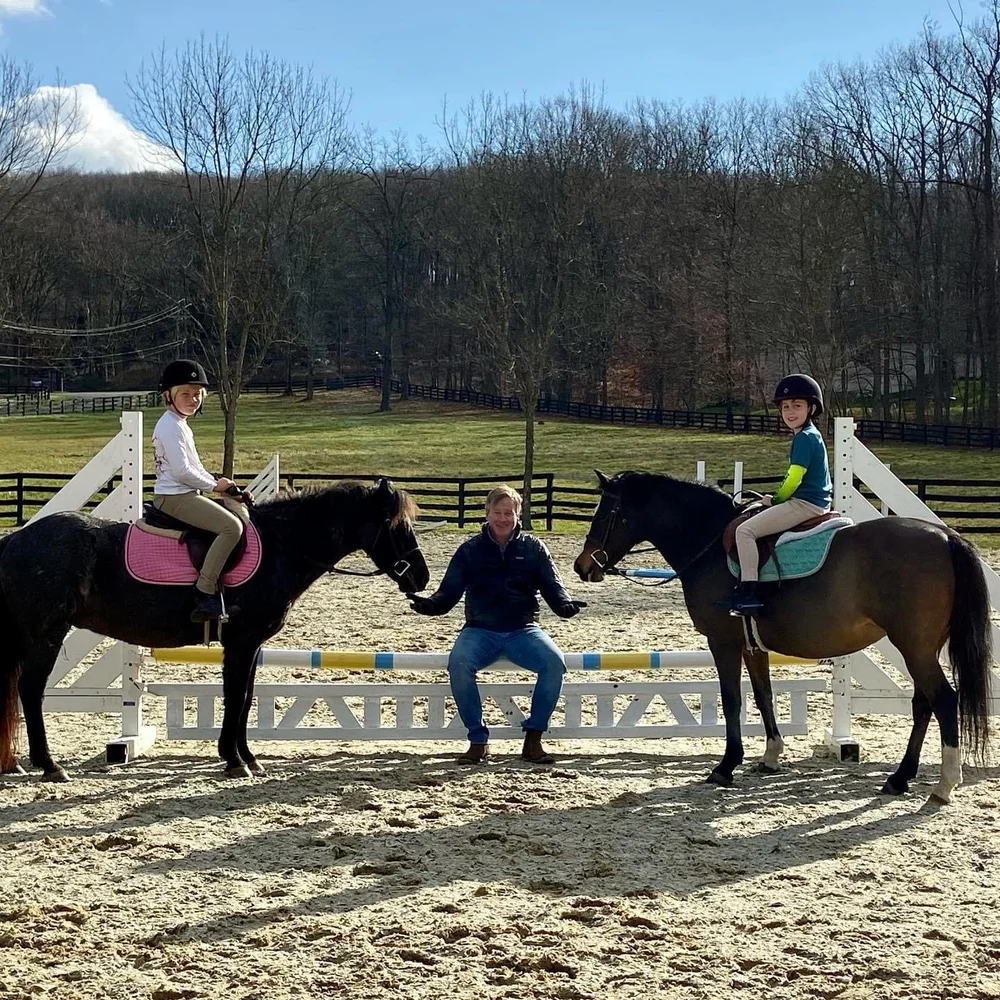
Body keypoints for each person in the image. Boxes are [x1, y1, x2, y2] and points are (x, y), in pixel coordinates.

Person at [407, 484, 586, 765]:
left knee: (554, 663)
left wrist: (565, 606)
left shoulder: (534, 548)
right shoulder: (469, 550)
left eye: (509, 513)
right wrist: (428, 606)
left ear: (518, 515)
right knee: (459, 664)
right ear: (487, 513)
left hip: (523, 629)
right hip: (479, 630)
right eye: (498, 512)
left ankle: (534, 739)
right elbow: (448, 593)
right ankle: (478, 740)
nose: (503, 519)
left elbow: (553, 587)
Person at [151, 359, 247, 622]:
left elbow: (196, 467)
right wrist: (214, 486)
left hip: (185, 493)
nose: (193, 400)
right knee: (232, 528)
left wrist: (222, 485)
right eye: (185, 394)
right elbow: (182, 472)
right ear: (168, 395)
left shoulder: (179, 424)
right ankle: (204, 592)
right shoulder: (170, 426)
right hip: (174, 497)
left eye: (197, 394)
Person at [731, 374, 833, 615]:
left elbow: (794, 478)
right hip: (814, 501)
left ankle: (749, 594)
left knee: (744, 531)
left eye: (797, 405)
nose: (790, 412)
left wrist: (775, 500)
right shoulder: (809, 434)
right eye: (785, 407)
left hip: (806, 504)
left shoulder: (805, 438)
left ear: (811, 408)